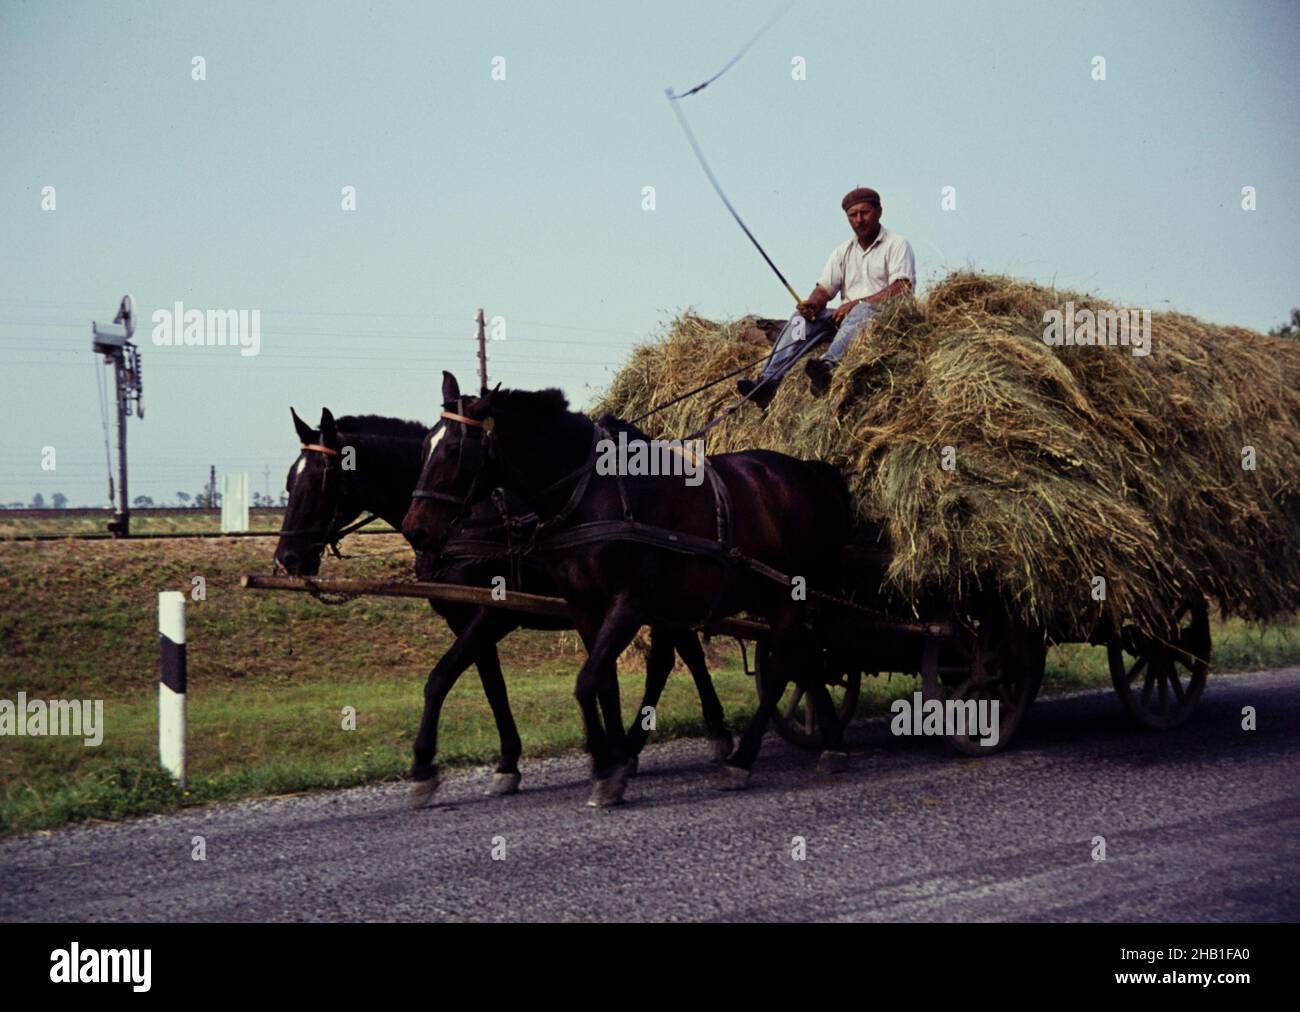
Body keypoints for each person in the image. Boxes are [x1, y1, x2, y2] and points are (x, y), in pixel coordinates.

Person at [737, 186, 915, 408]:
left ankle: (827, 367)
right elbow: (824, 289)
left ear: (878, 212)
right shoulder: (843, 251)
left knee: (861, 311)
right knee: (800, 320)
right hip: (846, 319)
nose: (859, 220)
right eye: (853, 215)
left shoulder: (897, 244)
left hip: (883, 317)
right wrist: (813, 304)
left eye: (864, 213)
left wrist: (857, 303)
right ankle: (766, 382)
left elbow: (901, 287)